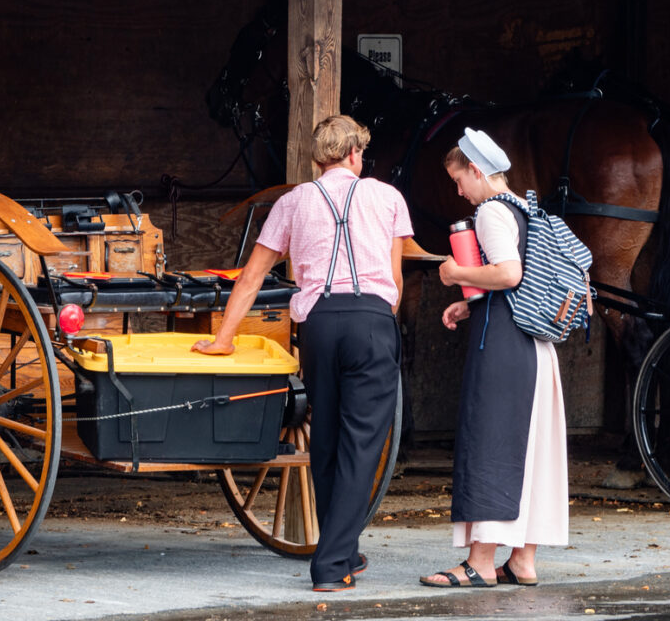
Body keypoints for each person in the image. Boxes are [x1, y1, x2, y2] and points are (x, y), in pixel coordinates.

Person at [192, 114, 412, 592]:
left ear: (316, 160)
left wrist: (223, 339)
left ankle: (345, 552)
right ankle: (330, 566)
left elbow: (250, 277)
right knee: (362, 447)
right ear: (356, 155)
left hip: (318, 326)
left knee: (327, 439)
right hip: (371, 322)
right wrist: (379, 322)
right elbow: (394, 285)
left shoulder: (293, 201)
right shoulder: (388, 197)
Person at [419, 127, 568, 589]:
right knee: (531, 451)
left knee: (490, 441)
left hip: (505, 350)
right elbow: (517, 284)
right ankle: (522, 561)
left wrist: (455, 272)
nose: (458, 190)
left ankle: (479, 562)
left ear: (476, 170)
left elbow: (509, 272)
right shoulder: (526, 210)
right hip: (534, 349)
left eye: (459, 180)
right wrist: (470, 301)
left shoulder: (489, 213)